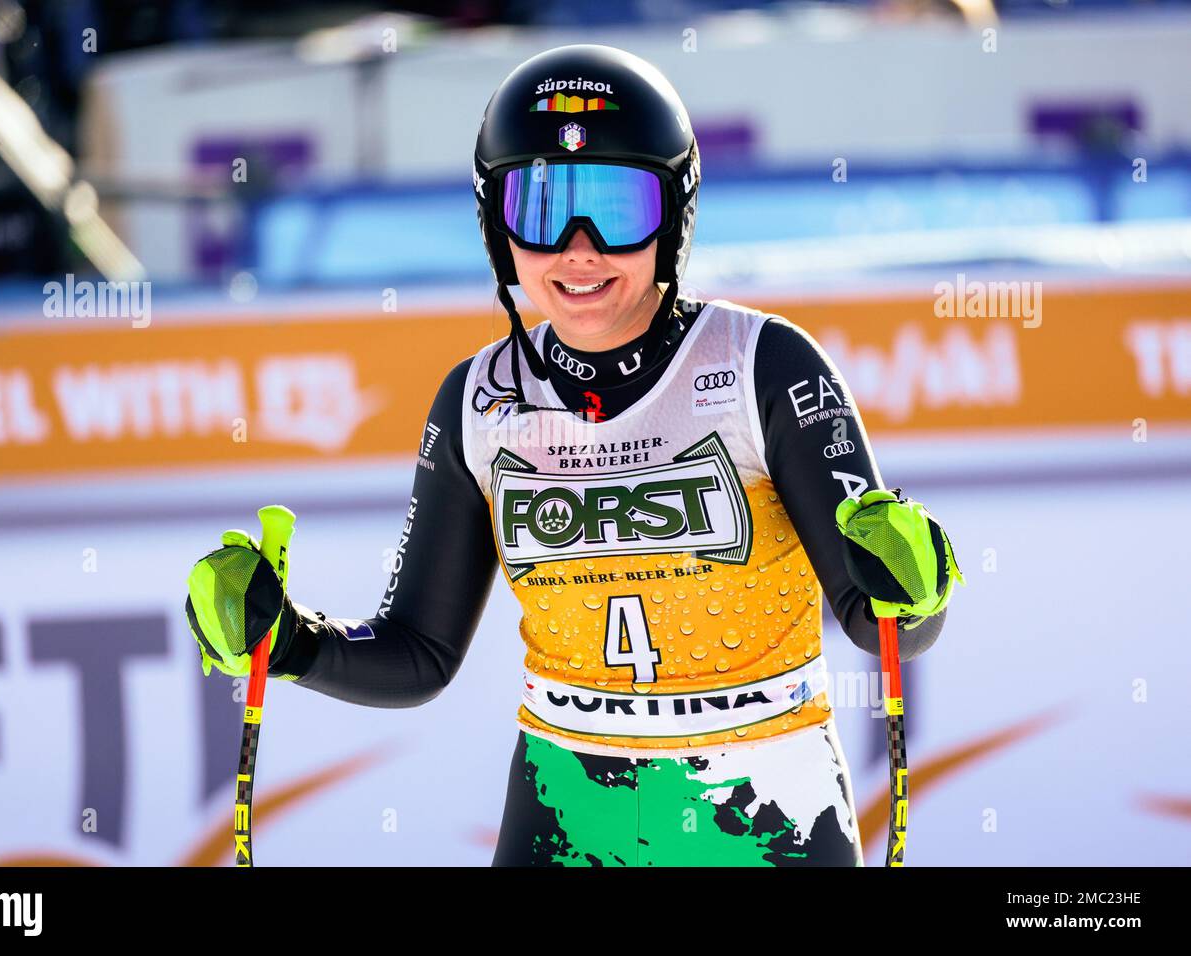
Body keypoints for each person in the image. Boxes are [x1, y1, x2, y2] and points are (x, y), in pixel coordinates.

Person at [185, 44, 964, 867]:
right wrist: (287, 639)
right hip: (565, 813)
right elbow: (418, 653)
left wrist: (914, 590)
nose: (579, 250)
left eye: (618, 209)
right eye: (543, 207)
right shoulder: (477, 401)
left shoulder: (761, 364)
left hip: (766, 812)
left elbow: (883, 625)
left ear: (675, 218)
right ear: (498, 229)